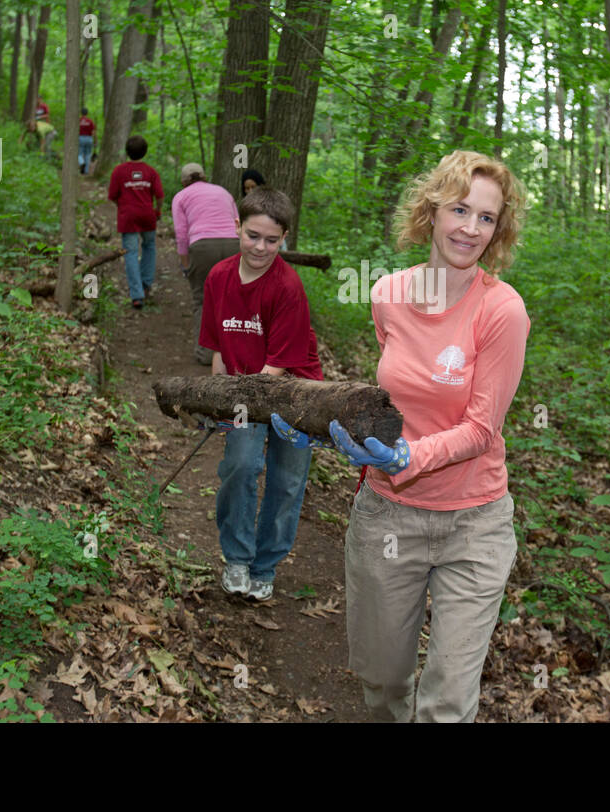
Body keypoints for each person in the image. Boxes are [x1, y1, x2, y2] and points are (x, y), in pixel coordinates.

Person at [273, 149, 529, 722]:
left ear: (499, 229)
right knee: (383, 681)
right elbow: (396, 396)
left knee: (446, 702)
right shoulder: (388, 295)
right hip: (387, 515)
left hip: (474, 524)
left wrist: (409, 455)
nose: (470, 228)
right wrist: (327, 427)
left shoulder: (502, 311)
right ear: (432, 210)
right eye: (460, 210)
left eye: (486, 217)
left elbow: (482, 429)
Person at [200, 188, 322, 602]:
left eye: (272, 240)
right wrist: (219, 403)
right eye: (253, 235)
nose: (261, 247)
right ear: (237, 226)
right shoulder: (218, 277)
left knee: (286, 482)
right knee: (240, 464)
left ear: (284, 237)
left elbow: (278, 369)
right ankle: (236, 557)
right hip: (242, 390)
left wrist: (238, 398)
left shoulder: (287, 286)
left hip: (294, 393)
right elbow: (218, 348)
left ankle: (264, 566)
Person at [171, 162, 240, 365]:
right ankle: (234, 352)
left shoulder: (181, 197)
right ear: (204, 176)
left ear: (184, 181)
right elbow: (238, 223)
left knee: (202, 299)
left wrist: (185, 264)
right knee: (232, 298)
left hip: (202, 247)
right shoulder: (224, 192)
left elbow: (181, 234)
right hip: (233, 245)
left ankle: (207, 353)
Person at [107, 135, 164, 310]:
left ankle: (137, 295)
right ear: (145, 152)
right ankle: (146, 283)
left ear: (127, 151)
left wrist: (123, 207)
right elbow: (159, 196)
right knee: (149, 247)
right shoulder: (151, 172)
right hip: (147, 215)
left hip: (128, 217)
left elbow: (112, 196)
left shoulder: (119, 171)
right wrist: (157, 211)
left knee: (130, 253)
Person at [34, 94, 55, 158]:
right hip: (37, 126)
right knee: (39, 141)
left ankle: (47, 156)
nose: (38, 100)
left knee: (45, 142)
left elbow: (47, 115)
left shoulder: (44, 106)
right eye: (37, 99)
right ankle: (39, 154)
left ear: (41, 99)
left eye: (39, 99)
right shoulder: (35, 107)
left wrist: (39, 117)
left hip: (44, 126)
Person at [78, 108, 96, 175]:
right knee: (88, 155)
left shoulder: (78, 121)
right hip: (89, 138)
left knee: (79, 154)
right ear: (87, 113)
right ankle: (86, 171)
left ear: (81, 113)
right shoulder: (90, 121)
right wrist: (95, 141)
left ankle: (81, 163)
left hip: (80, 138)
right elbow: (93, 132)